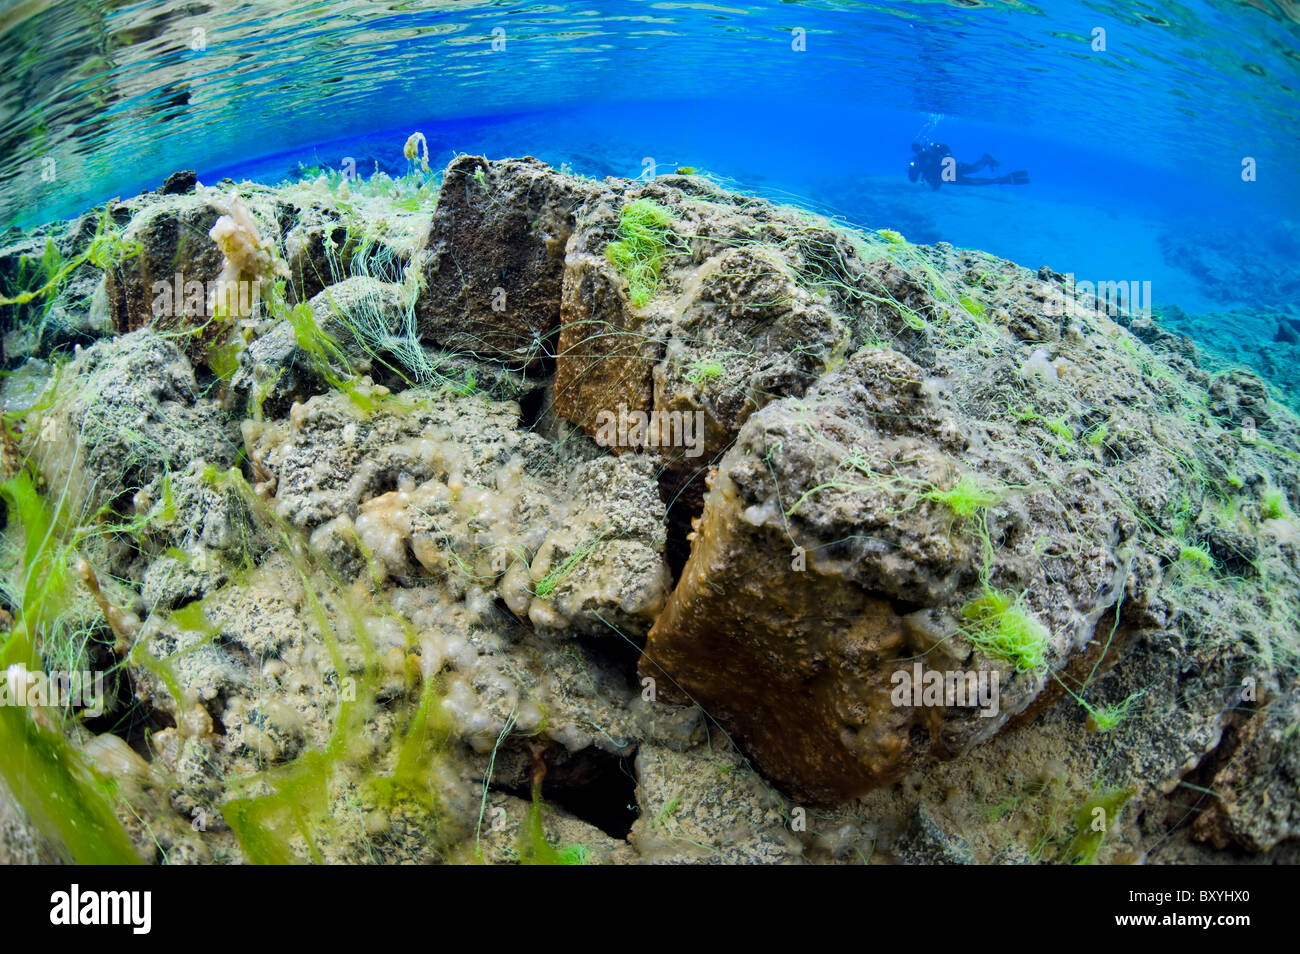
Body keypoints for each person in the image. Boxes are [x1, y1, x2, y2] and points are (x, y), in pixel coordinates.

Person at [907, 141, 1029, 189]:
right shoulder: (920, 160)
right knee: (974, 170)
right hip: (951, 170)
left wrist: (913, 167)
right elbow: (914, 178)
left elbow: (913, 179)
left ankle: (999, 179)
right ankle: (987, 161)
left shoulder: (920, 159)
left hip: (948, 174)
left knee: (974, 179)